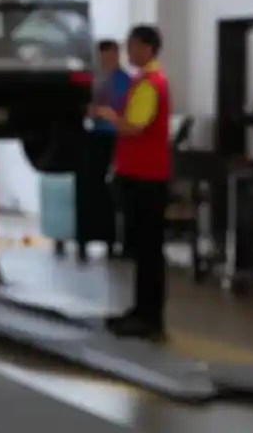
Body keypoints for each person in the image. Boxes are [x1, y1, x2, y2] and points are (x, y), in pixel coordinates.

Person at [93, 25, 170, 340]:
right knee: (141, 248)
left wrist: (108, 116)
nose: (129, 53)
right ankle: (141, 311)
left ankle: (149, 317)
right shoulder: (144, 82)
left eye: (134, 47)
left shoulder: (150, 85)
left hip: (146, 177)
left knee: (149, 250)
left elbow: (133, 128)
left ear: (148, 48)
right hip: (140, 174)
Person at [85, 40, 132, 259]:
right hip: (96, 136)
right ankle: (94, 236)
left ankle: (118, 240)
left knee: (117, 190)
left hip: (118, 137)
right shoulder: (94, 79)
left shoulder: (126, 81)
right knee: (95, 188)